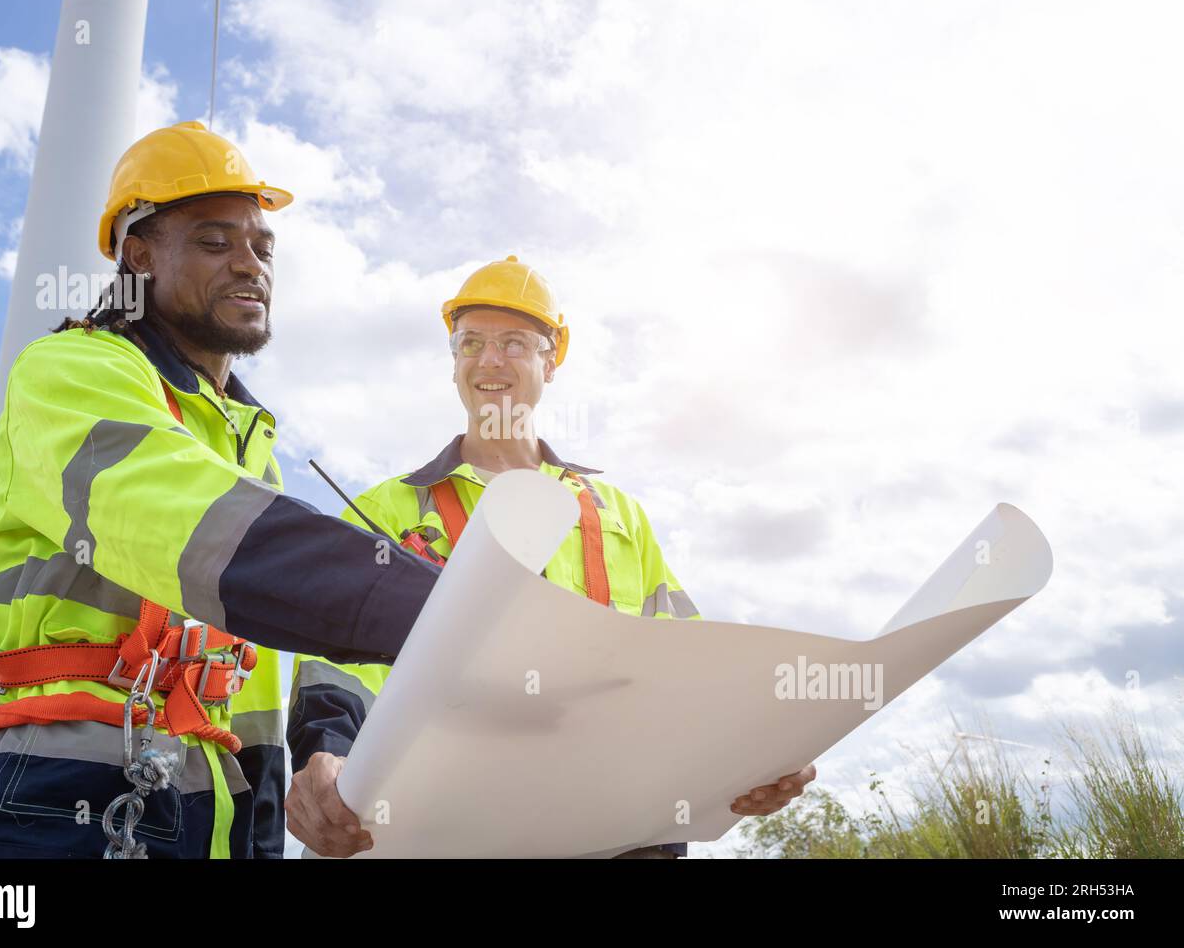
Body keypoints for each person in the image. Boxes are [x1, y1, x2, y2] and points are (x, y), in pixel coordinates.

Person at [0, 122, 439, 859]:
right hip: (41, 797)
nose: (250, 264)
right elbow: (193, 526)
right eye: (216, 243)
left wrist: (256, 834)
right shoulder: (67, 371)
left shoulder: (248, 446)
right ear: (138, 255)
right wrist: (442, 609)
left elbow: (243, 683)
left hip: (200, 805)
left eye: (262, 247)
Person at [284, 255, 817, 858]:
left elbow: (686, 663)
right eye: (471, 342)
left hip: (623, 827)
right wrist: (328, 757)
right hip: (451, 823)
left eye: (515, 342)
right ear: (454, 359)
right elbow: (332, 670)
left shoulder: (618, 515)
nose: (489, 360)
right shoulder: (386, 508)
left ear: (551, 360)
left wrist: (756, 752)